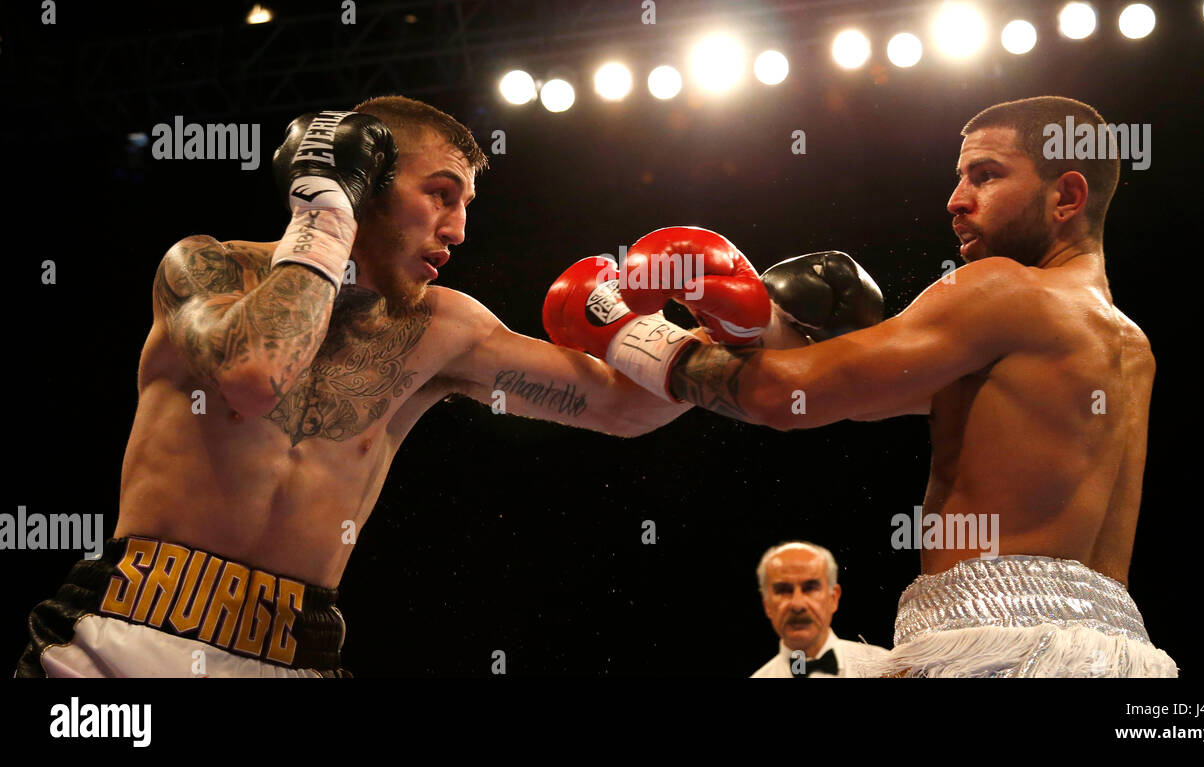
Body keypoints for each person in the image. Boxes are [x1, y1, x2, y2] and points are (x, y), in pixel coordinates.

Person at [16, 96, 702, 677]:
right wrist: (324, 210)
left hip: (295, 652)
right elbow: (258, 375)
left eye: (464, 203)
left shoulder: (447, 326)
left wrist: (705, 316)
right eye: (440, 193)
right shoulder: (208, 267)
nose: (458, 228)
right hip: (117, 638)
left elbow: (625, 409)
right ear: (365, 180)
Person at [607, 96, 1179, 677]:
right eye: (960, 178)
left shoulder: (1006, 289)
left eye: (985, 176)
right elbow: (853, 395)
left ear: (1067, 197)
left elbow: (781, 399)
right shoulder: (1129, 347)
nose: (956, 201)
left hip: (996, 647)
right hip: (1124, 655)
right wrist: (777, 337)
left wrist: (628, 331)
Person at [750, 542, 889, 678]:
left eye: (810, 588)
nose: (797, 605)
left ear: (833, 598)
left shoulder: (885, 668)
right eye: (783, 590)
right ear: (767, 604)